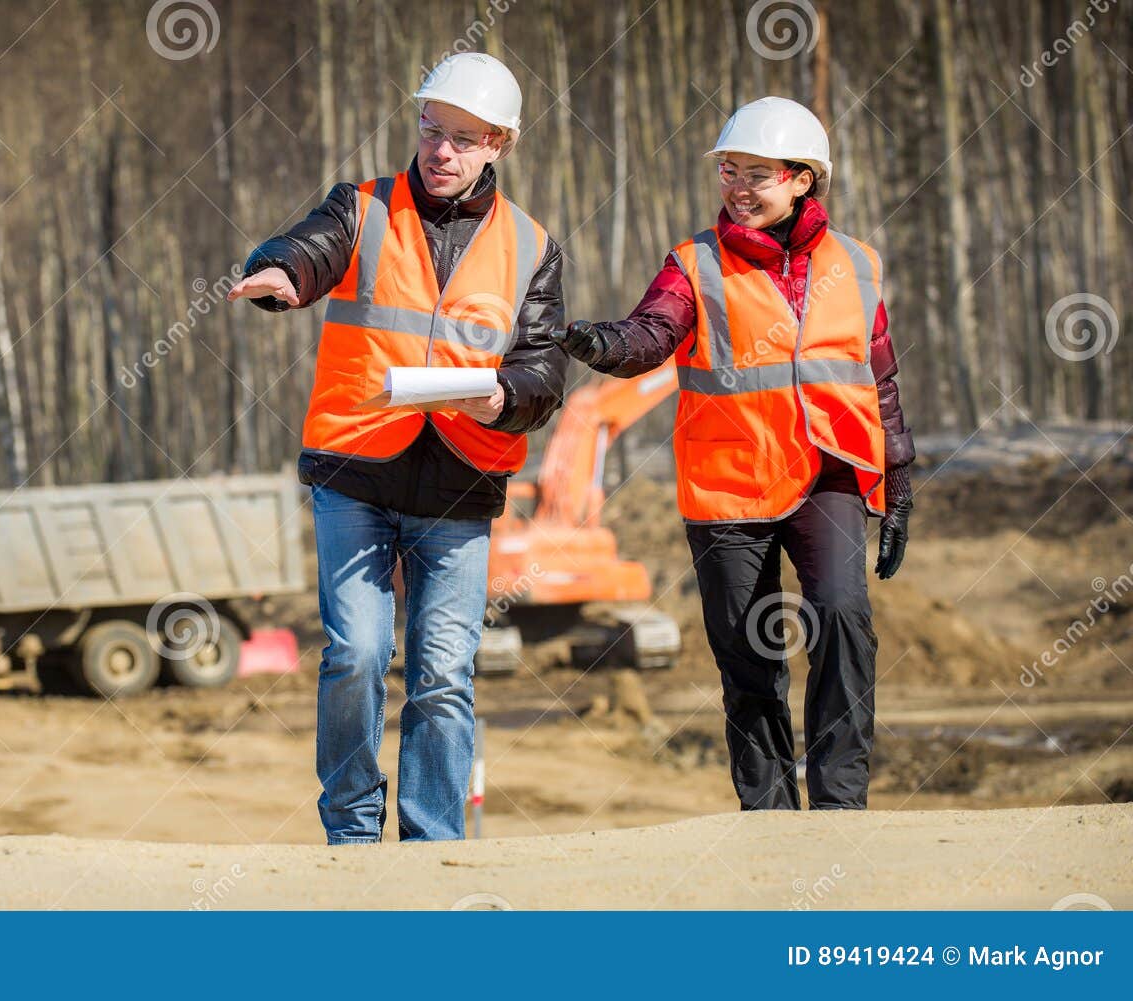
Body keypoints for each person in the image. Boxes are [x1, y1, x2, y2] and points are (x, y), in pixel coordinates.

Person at [226, 52, 566, 842]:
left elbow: (544, 366)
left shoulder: (531, 245)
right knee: (356, 653)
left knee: (443, 677)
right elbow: (310, 247)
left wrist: (507, 394)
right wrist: (278, 269)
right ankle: (349, 831)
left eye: (461, 138)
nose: (440, 151)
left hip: (460, 484)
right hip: (357, 471)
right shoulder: (364, 206)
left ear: (500, 144)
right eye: (430, 130)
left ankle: (432, 845)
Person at [555, 97, 916, 811]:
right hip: (729, 482)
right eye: (730, 171)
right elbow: (652, 332)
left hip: (827, 471)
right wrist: (607, 344)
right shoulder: (695, 263)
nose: (739, 187)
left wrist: (898, 477)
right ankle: (770, 813)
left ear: (802, 179)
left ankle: (840, 804)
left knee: (842, 616)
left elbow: (881, 377)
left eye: (757, 174)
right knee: (747, 656)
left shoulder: (858, 265)